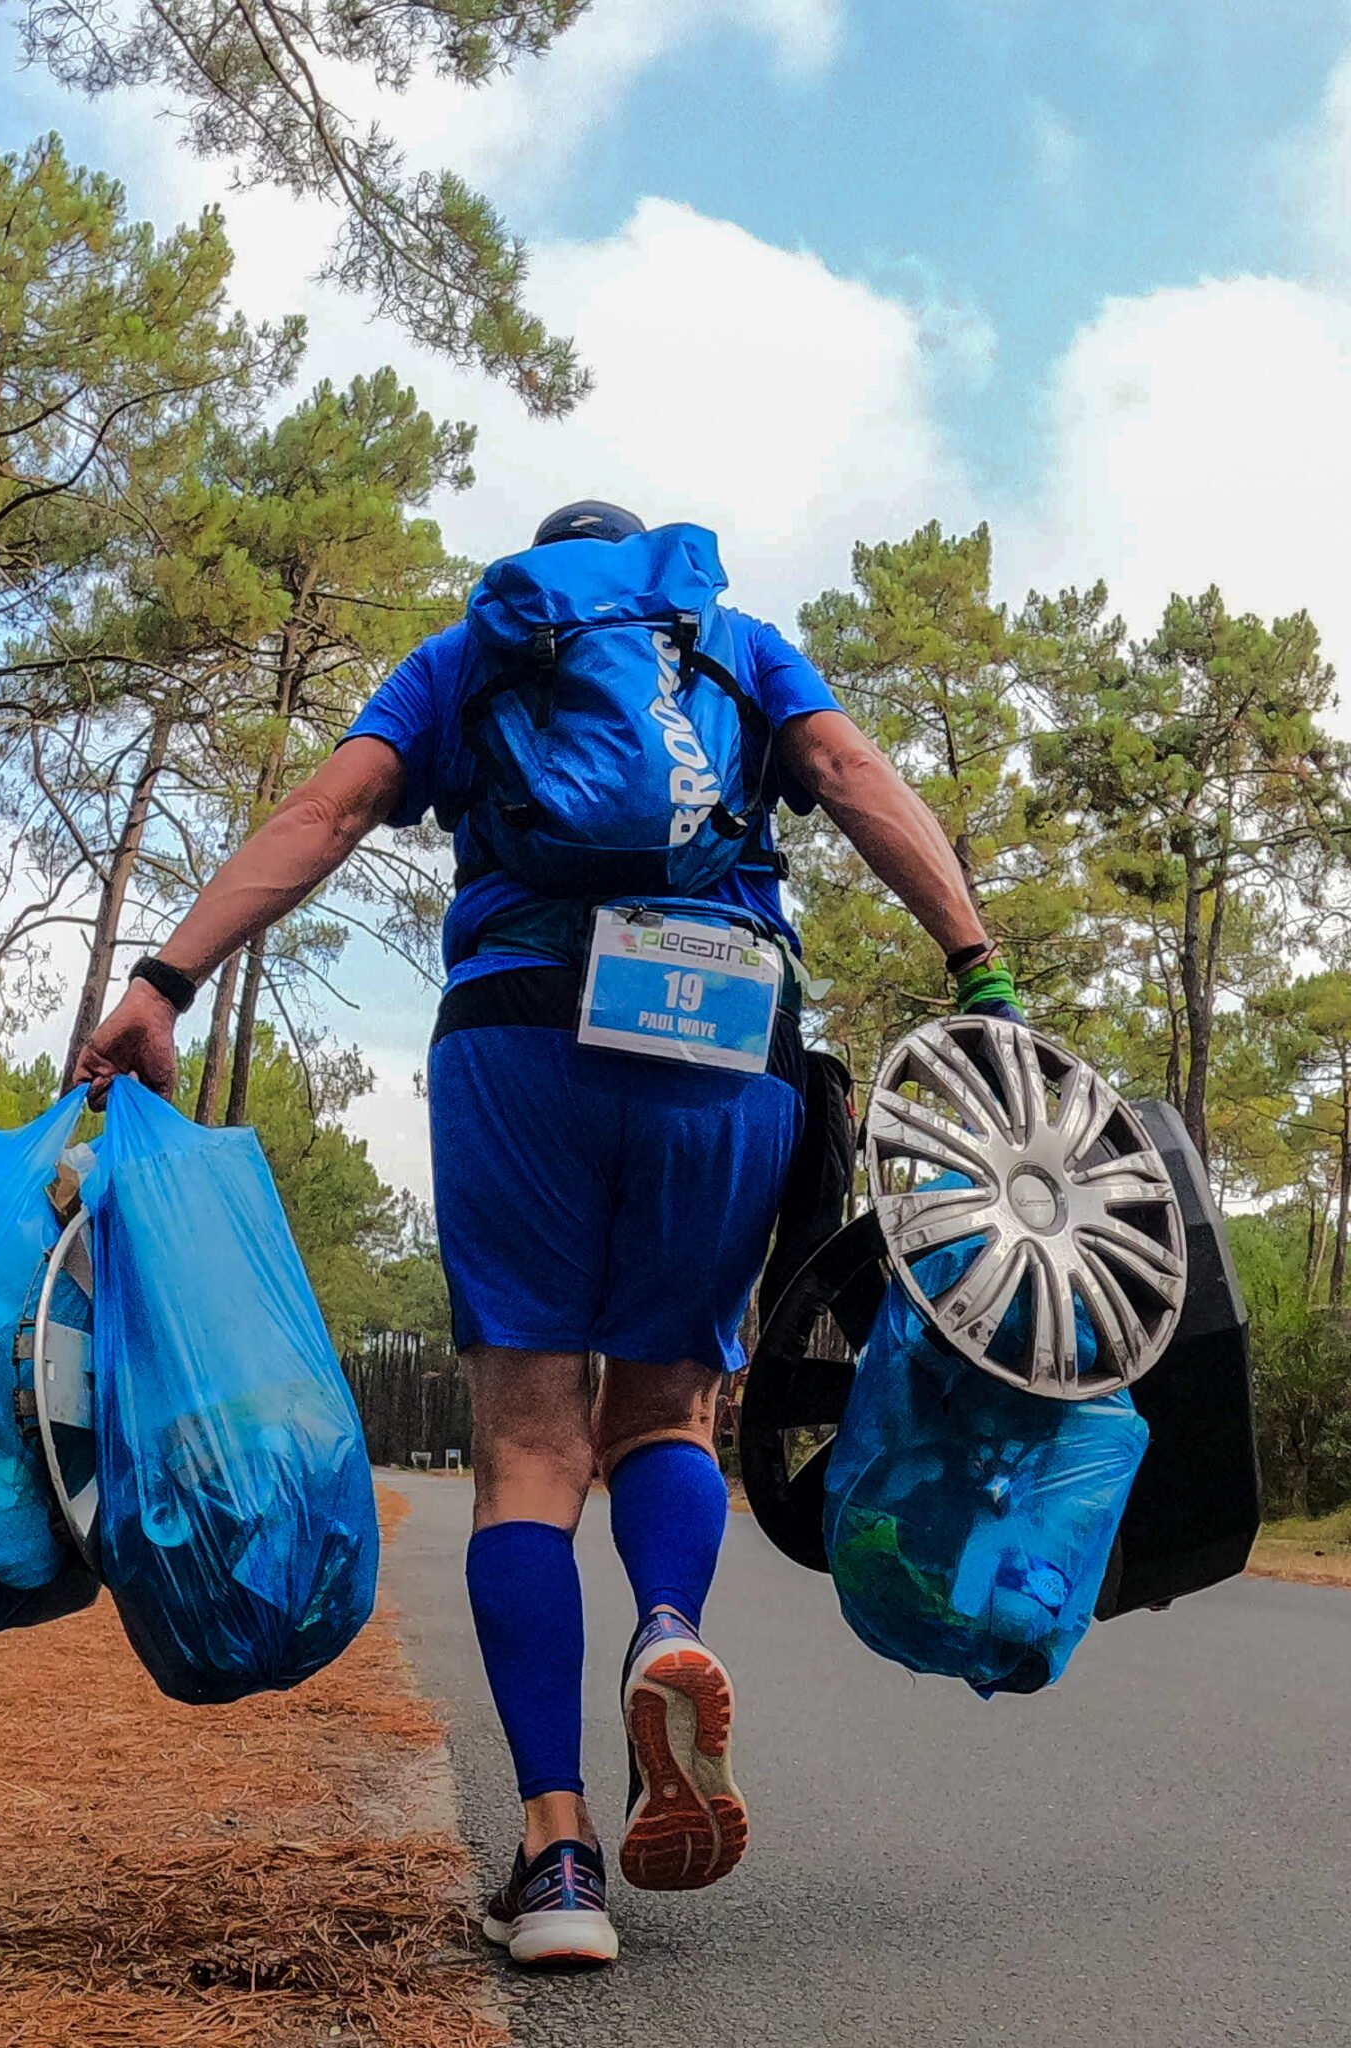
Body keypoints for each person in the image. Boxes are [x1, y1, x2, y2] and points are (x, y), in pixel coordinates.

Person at [74, 500, 1018, 1968]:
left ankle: (560, 1859)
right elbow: (845, 770)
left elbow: (323, 814)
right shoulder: (739, 646)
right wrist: (977, 961)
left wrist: (165, 979)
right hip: (725, 1033)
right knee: (673, 1411)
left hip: (524, 1030)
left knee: (527, 1443)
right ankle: (663, 1625)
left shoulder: (469, 655)